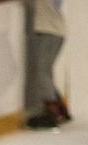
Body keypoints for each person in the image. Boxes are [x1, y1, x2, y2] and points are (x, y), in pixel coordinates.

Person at [25, 0, 71, 129]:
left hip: (50, 30)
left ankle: (52, 111)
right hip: (54, 30)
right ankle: (60, 108)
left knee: (42, 71)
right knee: (45, 71)